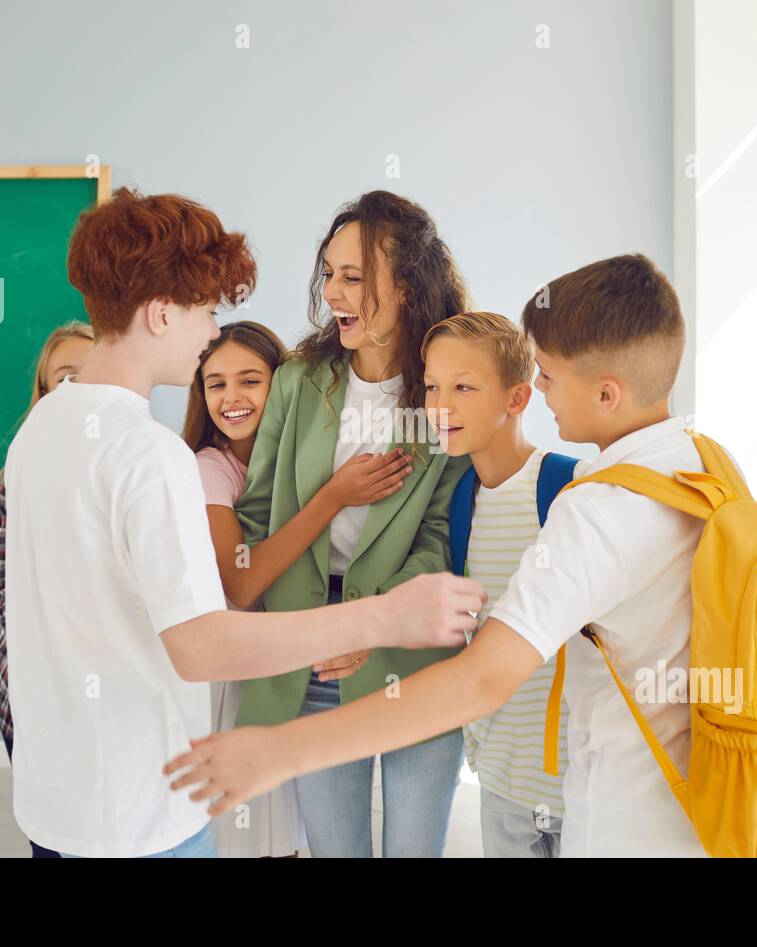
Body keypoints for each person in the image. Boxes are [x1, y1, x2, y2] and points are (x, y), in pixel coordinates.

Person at [168, 254, 710, 858]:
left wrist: (283, 750)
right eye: (431, 387)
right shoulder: (696, 461)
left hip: (613, 805)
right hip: (554, 781)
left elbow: (482, 677)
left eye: (550, 378)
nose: (438, 406)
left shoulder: (585, 502)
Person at [3, 187, 483, 858]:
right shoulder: (152, 456)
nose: (210, 333)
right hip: (142, 815)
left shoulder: (40, 427)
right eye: (205, 312)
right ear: (163, 314)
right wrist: (378, 618)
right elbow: (202, 646)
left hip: (55, 806)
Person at [232, 191, 474, 857]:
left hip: (414, 653)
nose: (333, 291)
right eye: (329, 274)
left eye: (354, 276)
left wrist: (380, 622)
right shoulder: (299, 380)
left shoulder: (445, 391)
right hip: (310, 650)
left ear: (408, 285)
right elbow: (256, 512)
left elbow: (443, 534)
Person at [182, 319, 413, 857]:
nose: (232, 397)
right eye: (215, 384)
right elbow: (240, 584)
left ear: (281, 385)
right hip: (240, 676)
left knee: (292, 832)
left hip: (286, 668)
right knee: (249, 834)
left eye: (249, 381)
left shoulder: (303, 456)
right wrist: (332, 499)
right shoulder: (210, 470)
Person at [421, 310, 572, 857]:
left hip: (579, 788)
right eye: (433, 387)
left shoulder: (566, 487)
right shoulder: (461, 500)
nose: (442, 405)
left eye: (464, 386)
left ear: (517, 398)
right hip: (503, 787)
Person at [0, 319, 93, 858]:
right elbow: (3, 599)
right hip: (25, 692)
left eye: (87, 376)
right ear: (43, 396)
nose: (74, 390)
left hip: (95, 699)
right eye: (60, 380)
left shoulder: (136, 463)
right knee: (51, 840)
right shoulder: (23, 473)